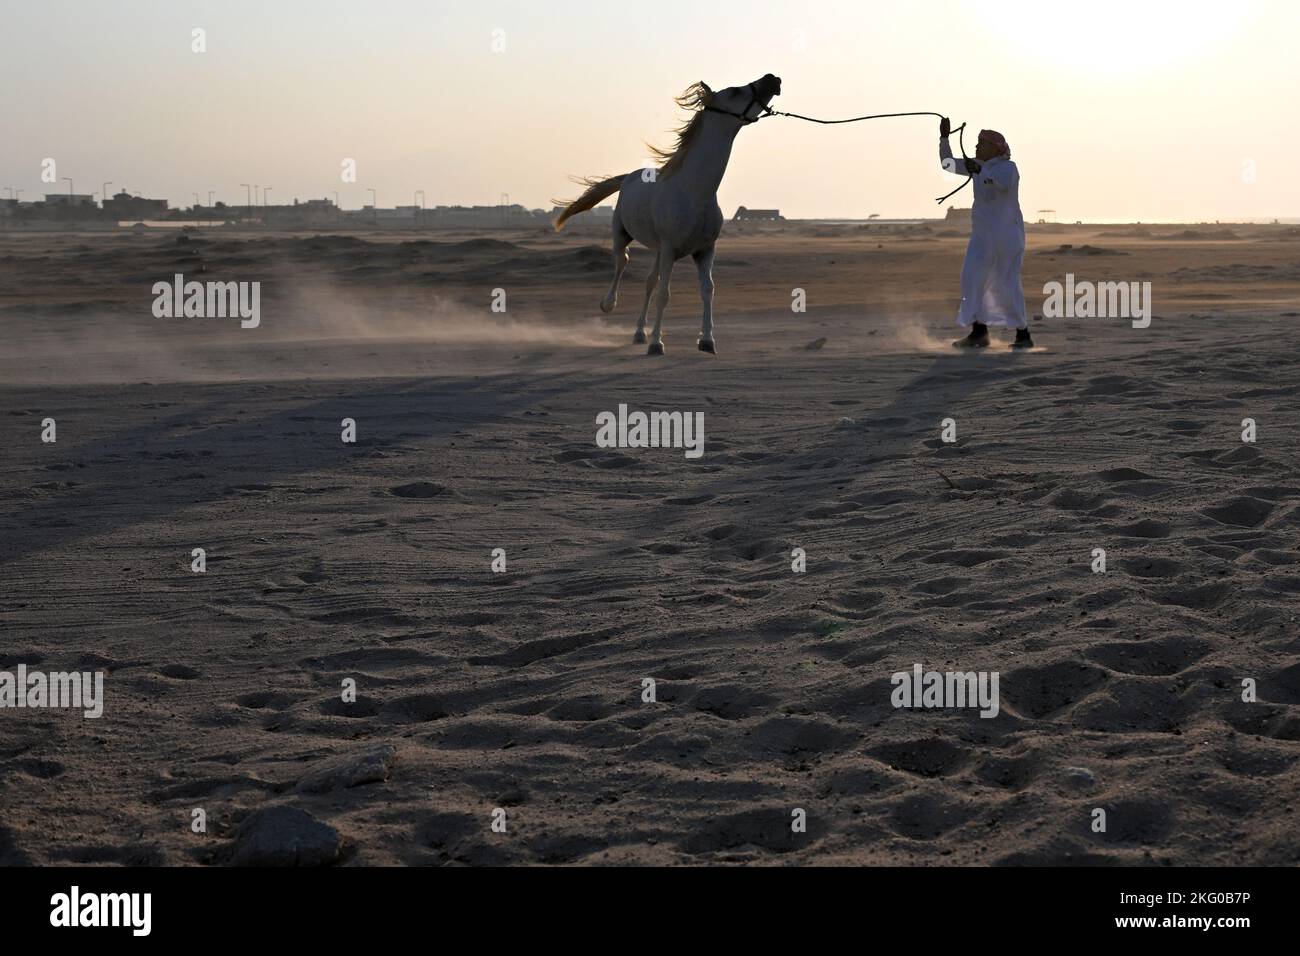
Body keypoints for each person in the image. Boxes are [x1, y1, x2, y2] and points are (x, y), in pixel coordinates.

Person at [939, 119, 1032, 348]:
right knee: (972, 278)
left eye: (981, 143)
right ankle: (979, 332)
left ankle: (1023, 334)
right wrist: (944, 138)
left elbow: (1000, 184)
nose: (976, 147)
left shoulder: (1008, 168)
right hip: (982, 237)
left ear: (994, 147)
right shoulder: (978, 165)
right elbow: (948, 164)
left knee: (1006, 284)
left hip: (1006, 237)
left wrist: (979, 169)